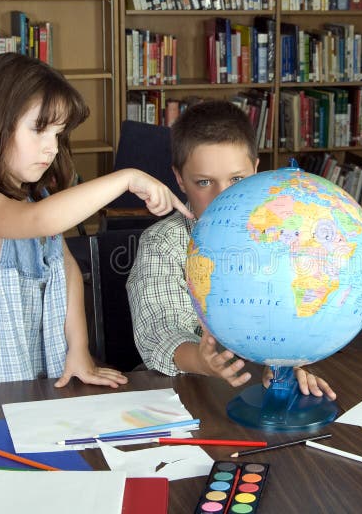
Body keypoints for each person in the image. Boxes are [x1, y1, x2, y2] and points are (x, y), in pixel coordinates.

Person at [0, 53, 191, 389]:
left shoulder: (36, 197)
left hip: (35, 385)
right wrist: (127, 178)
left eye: (58, 135)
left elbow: (68, 271)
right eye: (39, 130)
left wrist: (79, 349)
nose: (50, 149)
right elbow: (39, 221)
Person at [127, 100, 336, 399]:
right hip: (188, 390)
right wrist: (200, 359)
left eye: (237, 179)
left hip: (255, 385)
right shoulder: (163, 245)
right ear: (179, 180)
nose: (224, 196)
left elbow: (297, 308)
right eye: (204, 182)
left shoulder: (288, 234)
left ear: (256, 169)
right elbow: (161, 329)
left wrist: (286, 360)